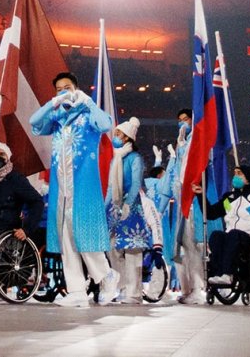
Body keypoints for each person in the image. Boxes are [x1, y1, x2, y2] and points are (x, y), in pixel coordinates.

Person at [29, 70, 117, 308]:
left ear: (76, 88)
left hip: (84, 188)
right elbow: (34, 123)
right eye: (59, 89)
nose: (63, 92)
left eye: (67, 87)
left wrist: (89, 102)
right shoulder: (56, 117)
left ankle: (107, 276)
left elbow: (106, 123)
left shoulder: (88, 114)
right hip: (61, 191)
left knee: (84, 238)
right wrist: (52, 102)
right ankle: (77, 290)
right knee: (66, 241)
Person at [105, 117, 155, 303]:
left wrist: (128, 204)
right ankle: (120, 288)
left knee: (133, 252)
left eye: (118, 134)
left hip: (131, 209)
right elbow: (111, 187)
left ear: (127, 137)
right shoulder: (115, 158)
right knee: (114, 250)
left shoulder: (135, 159)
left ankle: (134, 293)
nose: (115, 136)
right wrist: (105, 208)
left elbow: (135, 184)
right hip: (115, 210)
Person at [162, 109, 209, 305]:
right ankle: (188, 288)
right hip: (181, 202)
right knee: (181, 248)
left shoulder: (198, 141)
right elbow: (174, 177)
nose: (182, 123)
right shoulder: (182, 143)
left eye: (186, 120)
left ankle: (198, 288)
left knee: (193, 247)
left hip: (193, 202)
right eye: (180, 120)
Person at [205, 165, 250, 291]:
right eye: (235, 173)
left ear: (248, 178)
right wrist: (200, 196)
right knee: (216, 235)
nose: (235, 176)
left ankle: (228, 274)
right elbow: (212, 213)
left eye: (239, 173)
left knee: (233, 235)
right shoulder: (229, 198)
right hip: (233, 237)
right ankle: (217, 273)